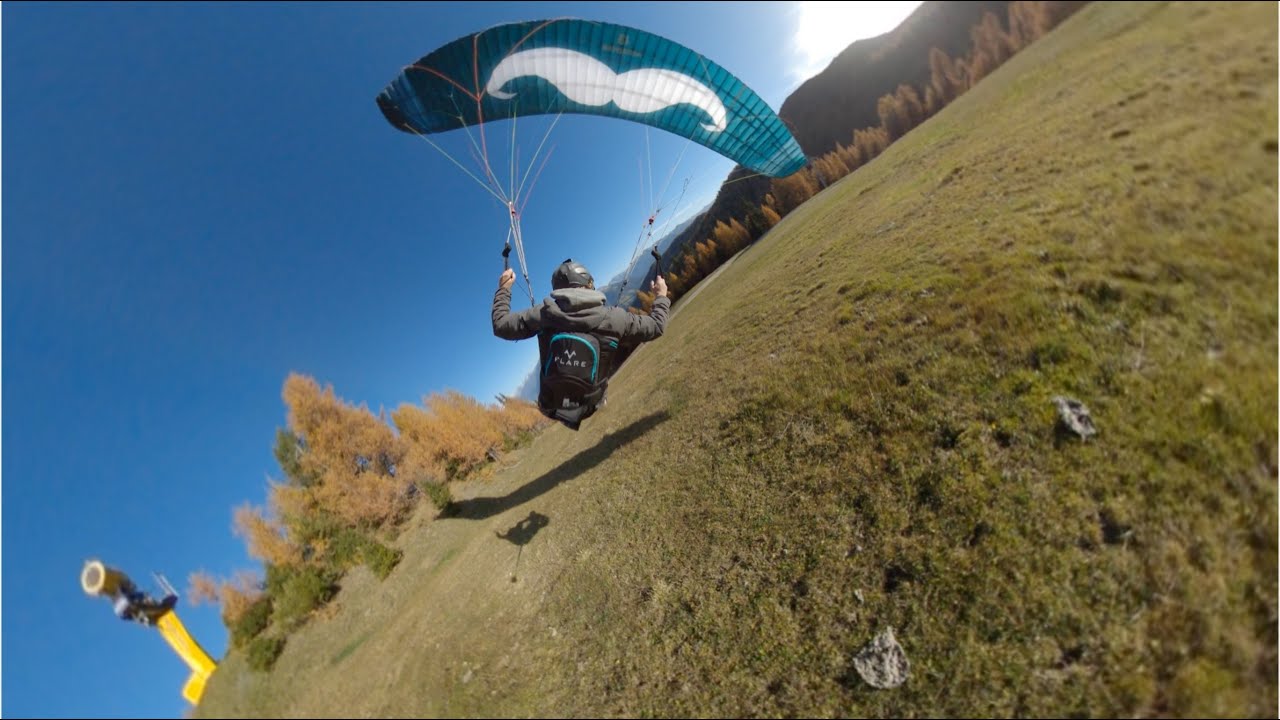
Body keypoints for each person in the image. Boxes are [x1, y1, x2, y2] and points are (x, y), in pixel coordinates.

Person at [493, 258, 669, 430]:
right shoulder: (615, 318)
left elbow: (500, 325)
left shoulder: (543, 315)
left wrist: (504, 288)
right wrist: (660, 296)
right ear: (588, 283)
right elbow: (657, 326)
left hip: (551, 404)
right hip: (591, 402)